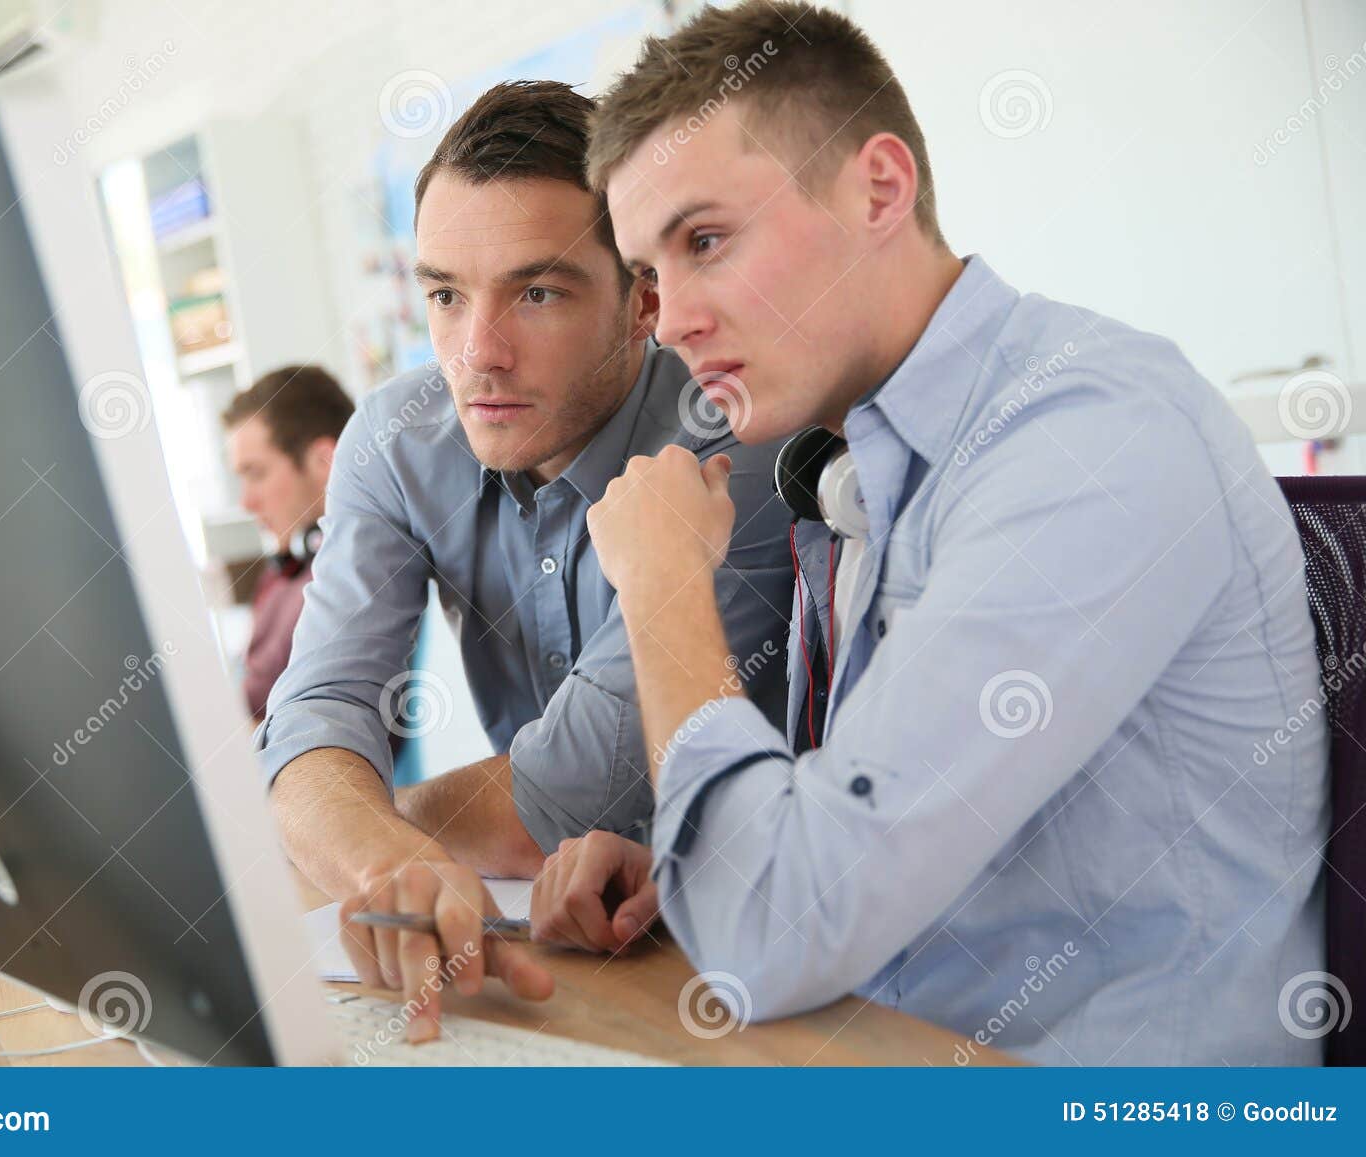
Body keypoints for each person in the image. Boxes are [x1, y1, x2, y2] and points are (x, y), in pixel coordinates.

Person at [558, 1, 1327, 1065]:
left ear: (879, 188)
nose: (674, 319)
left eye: (707, 241)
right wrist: (701, 860)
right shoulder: (859, 460)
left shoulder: (1089, 437)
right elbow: (858, 841)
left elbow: (775, 930)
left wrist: (660, 585)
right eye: (651, 274)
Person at [255, 80, 795, 1040]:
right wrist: (387, 863)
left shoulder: (734, 439)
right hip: (576, 943)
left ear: (644, 300)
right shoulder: (398, 439)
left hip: (766, 958)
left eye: (537, 292)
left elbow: (575, 789)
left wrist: (374, 816)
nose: (479, 354)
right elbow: (313, 716)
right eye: (445, 295)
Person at [222, 364, 354, 722]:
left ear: (323, 461)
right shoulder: (287, 567)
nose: (246, 502)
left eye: (257, 473)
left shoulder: (348, 582)